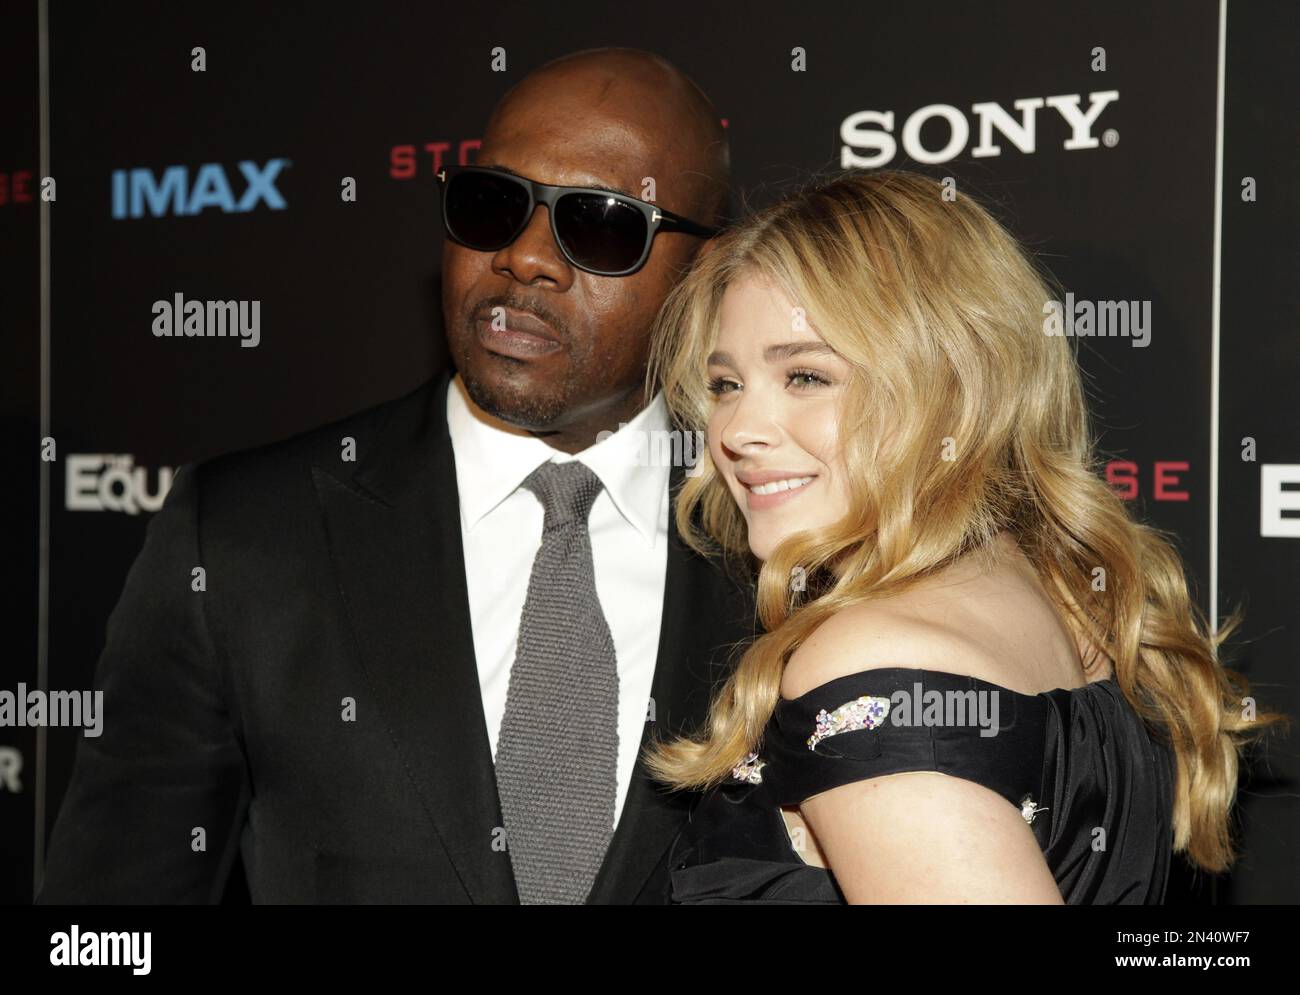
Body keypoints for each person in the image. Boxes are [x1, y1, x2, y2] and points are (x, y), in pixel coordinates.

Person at [37, 48, 754, 905]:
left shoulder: (778, 541)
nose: (525, 259)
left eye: (600, 223)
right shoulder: (243, 535)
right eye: (493, 205)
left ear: (709, 271)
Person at [644, 169, 1287, 904]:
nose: (738, 433)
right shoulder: (1070, 598)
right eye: (726, 385)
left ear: (948, 382)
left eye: (806, 376)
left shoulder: (873, 658)